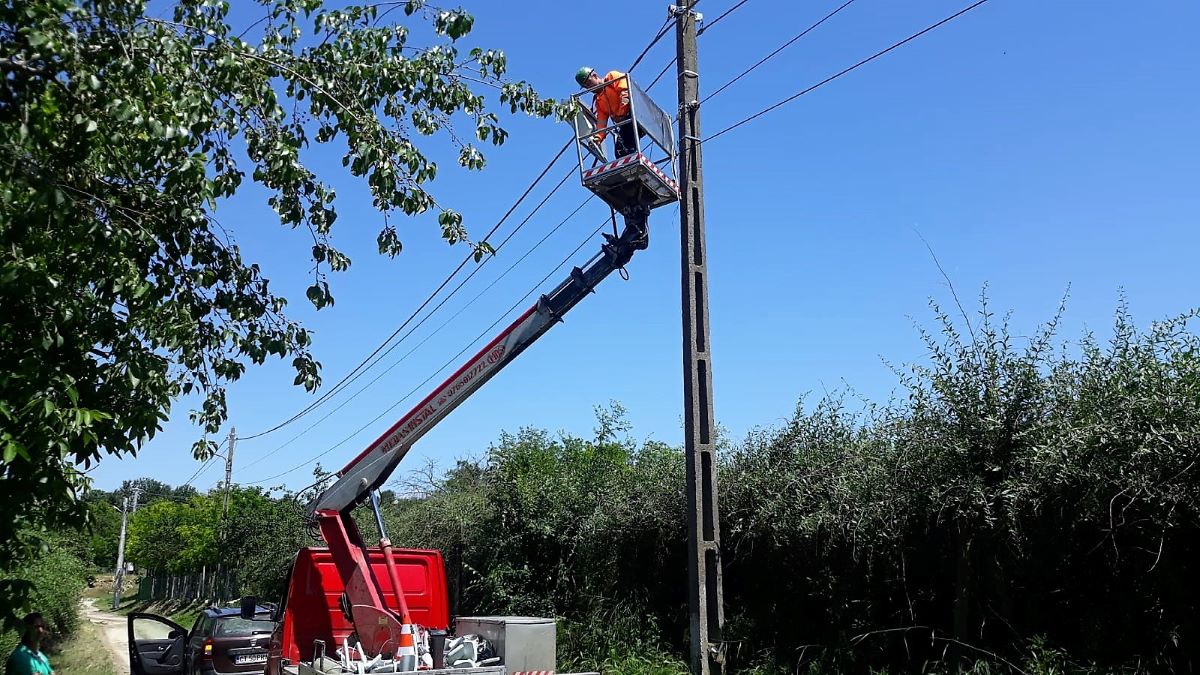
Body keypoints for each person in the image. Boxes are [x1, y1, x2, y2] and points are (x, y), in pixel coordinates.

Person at [575, 67, 639, 158]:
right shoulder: (599, 101)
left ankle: (630, 167)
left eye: (589, 83)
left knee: (623, 149)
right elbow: (602, 121)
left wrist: (621, 114)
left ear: (595, 76)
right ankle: (630, 167)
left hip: (635, 115)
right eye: (586, 86)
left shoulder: (611, 77)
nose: (589, 88)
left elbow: (625, 93)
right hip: (626, 123)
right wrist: (598, 138)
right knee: (621, 150)